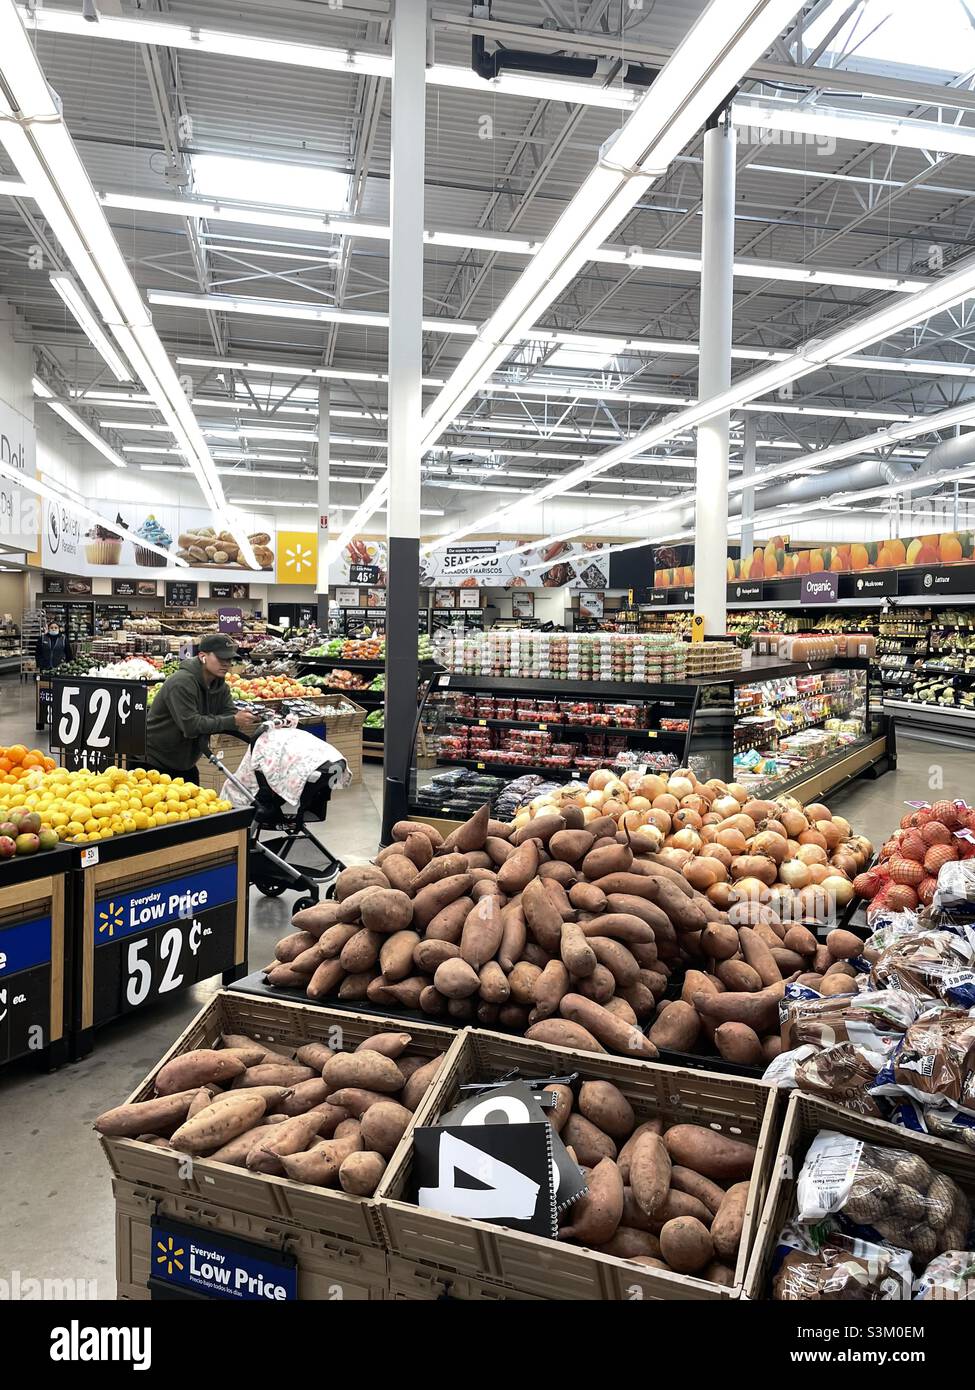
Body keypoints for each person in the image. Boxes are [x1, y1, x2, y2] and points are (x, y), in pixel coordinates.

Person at [145, 633, 260, 783]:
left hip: (185, 762)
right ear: (202, 656)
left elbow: (229, 714)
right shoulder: (181, 683)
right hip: (154, 762)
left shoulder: (220, 686)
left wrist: (250, 718)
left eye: (229, 659)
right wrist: (232, 720)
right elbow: (191, 726)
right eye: (220, 658)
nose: (226, 663)